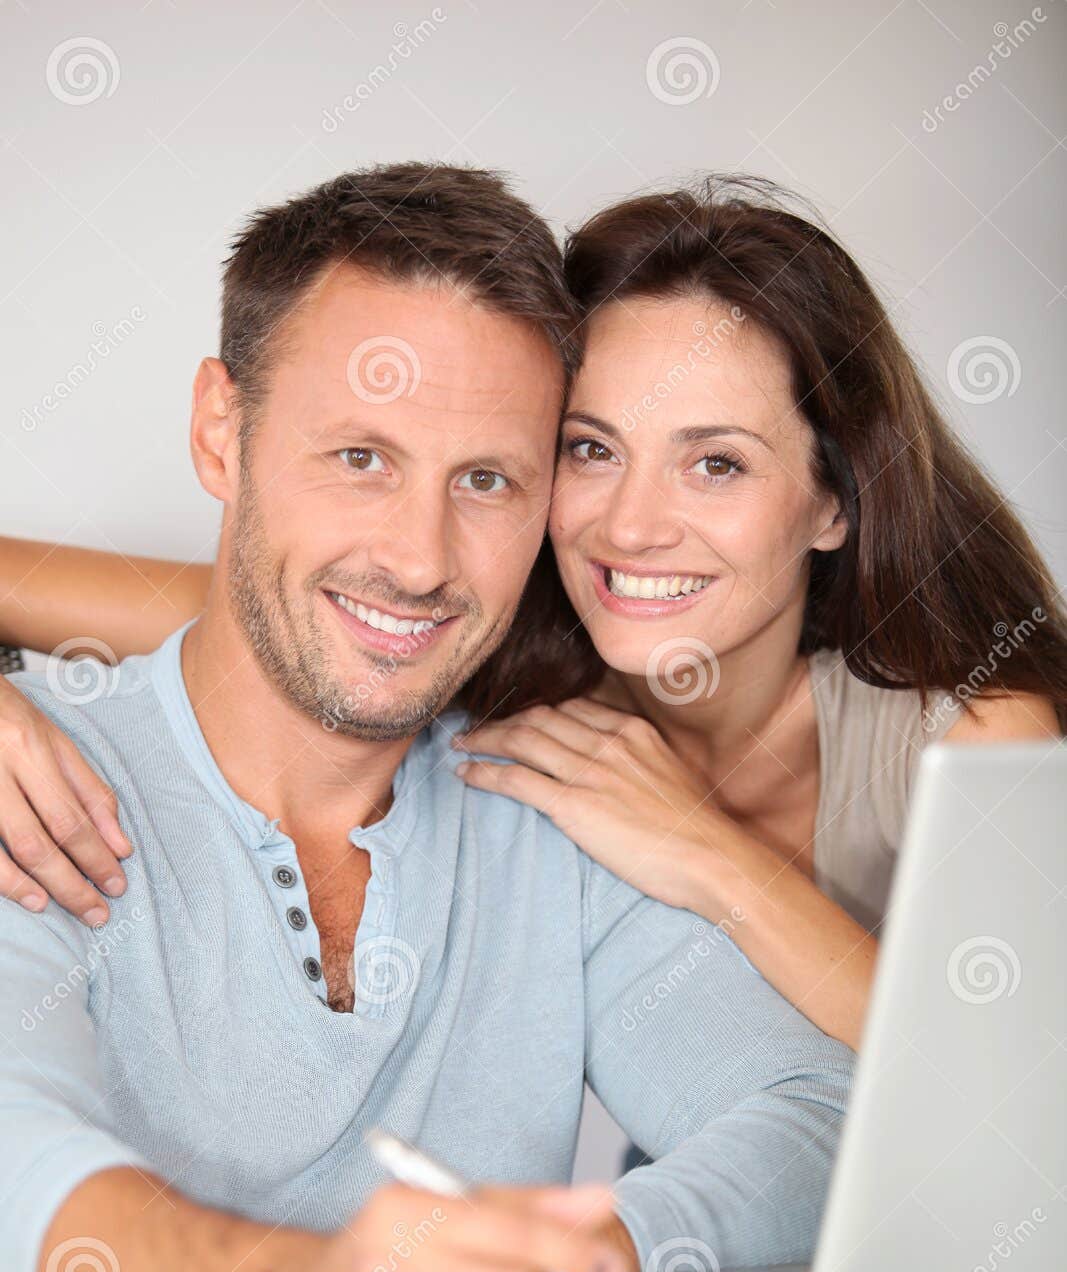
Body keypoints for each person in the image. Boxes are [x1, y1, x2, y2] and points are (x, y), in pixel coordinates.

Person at [0, 163, 852, 1272]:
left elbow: (807, 1120)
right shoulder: (29, 778)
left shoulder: (552, 793)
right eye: (359, 458)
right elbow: (18, 1183)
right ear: (222, 429)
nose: (415, 557)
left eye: (487, 482)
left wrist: (544, 1266)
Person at [1, 179, 1062, 1053]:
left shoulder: (972, 740)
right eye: (590, 449)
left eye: (715, 463)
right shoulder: (470, 647)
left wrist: (707, 854)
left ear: (833, 499)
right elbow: (236, 623)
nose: (633, 527)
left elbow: (1008, 1084)